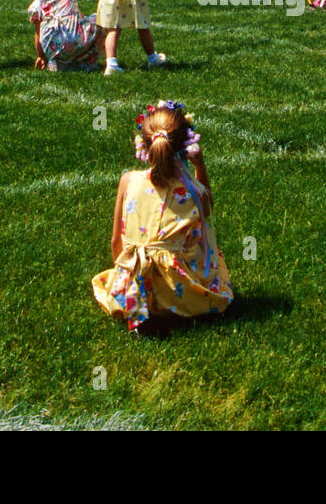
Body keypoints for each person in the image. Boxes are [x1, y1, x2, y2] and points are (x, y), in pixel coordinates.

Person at [92, 100, 232, 332]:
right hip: (179, 292)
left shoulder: (128, 180)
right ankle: (174, 303)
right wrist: (201, 166)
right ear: (185, 145)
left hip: (133, 290)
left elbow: (116, 242)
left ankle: (141, 304)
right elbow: (207, 210)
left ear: (144, 146)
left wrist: (123, 278)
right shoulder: (194, 191)